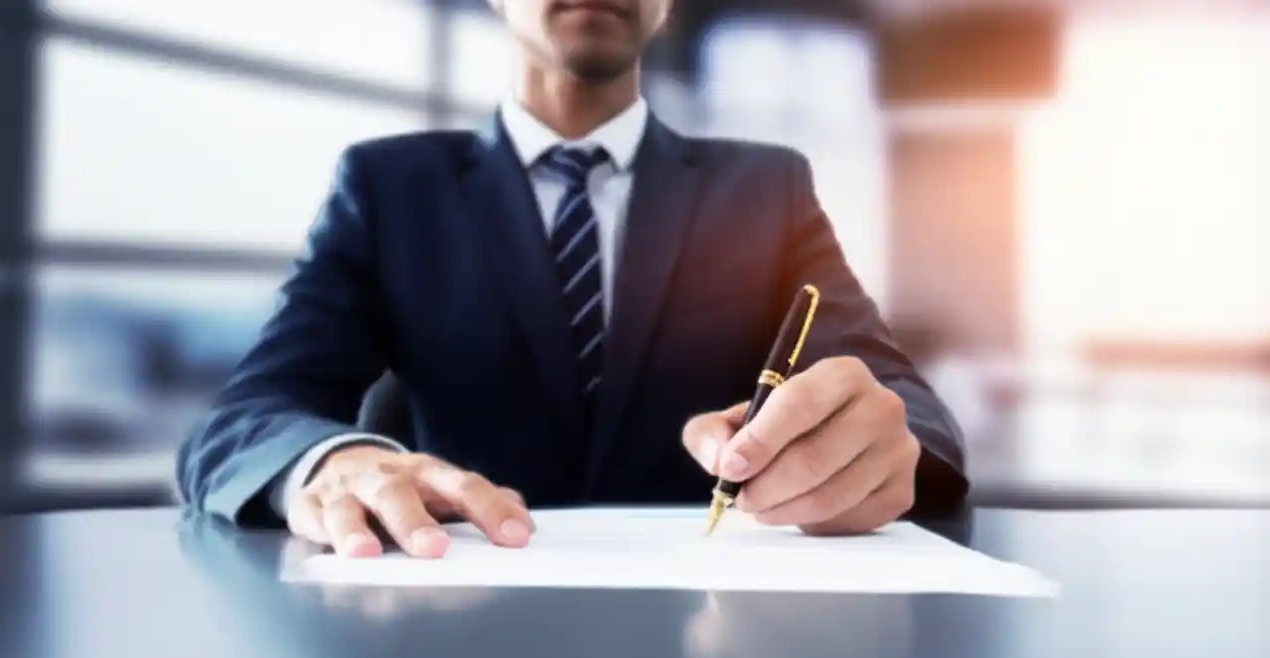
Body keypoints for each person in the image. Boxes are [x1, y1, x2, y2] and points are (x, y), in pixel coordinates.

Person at [177, 0, 968, 558]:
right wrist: (330, 462)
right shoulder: (389, 187)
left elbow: (904, 402)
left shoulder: (767, 187)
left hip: (711, 618)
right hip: (450, 621)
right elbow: (248, 416)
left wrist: (880, 448)